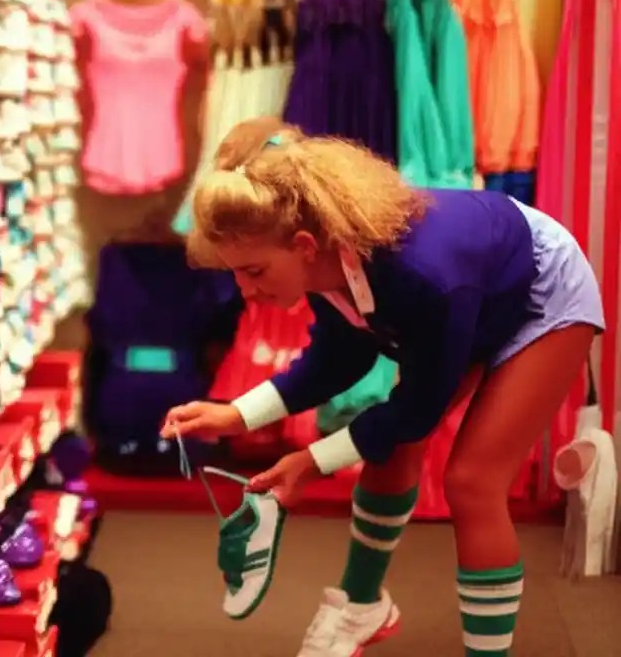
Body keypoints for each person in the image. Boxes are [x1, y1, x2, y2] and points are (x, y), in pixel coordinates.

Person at [162, 117, 604, 657]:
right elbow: (333, 362)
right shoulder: (327, 258)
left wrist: (310, 460)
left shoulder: (421, 275)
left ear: (303, 245)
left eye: (253, 272)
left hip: (544, 296)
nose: (245, 291)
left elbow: (419, 408)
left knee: (471, 481)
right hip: (478, 294)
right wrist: (234, 414)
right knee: (392, 454)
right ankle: (362, 605)